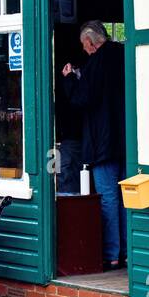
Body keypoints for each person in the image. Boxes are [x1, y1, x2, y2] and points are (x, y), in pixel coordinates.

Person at [60, 20, 126, 269]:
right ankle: (127, 251)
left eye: (83, 44)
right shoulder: (123, 54)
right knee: (123, 198)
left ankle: (111, 254)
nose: (83, 49)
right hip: (125, 143)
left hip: (102, 144)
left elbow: (82, 99)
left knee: (108, 197)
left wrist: (69, 79)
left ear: (90, 42)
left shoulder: (95, 63)